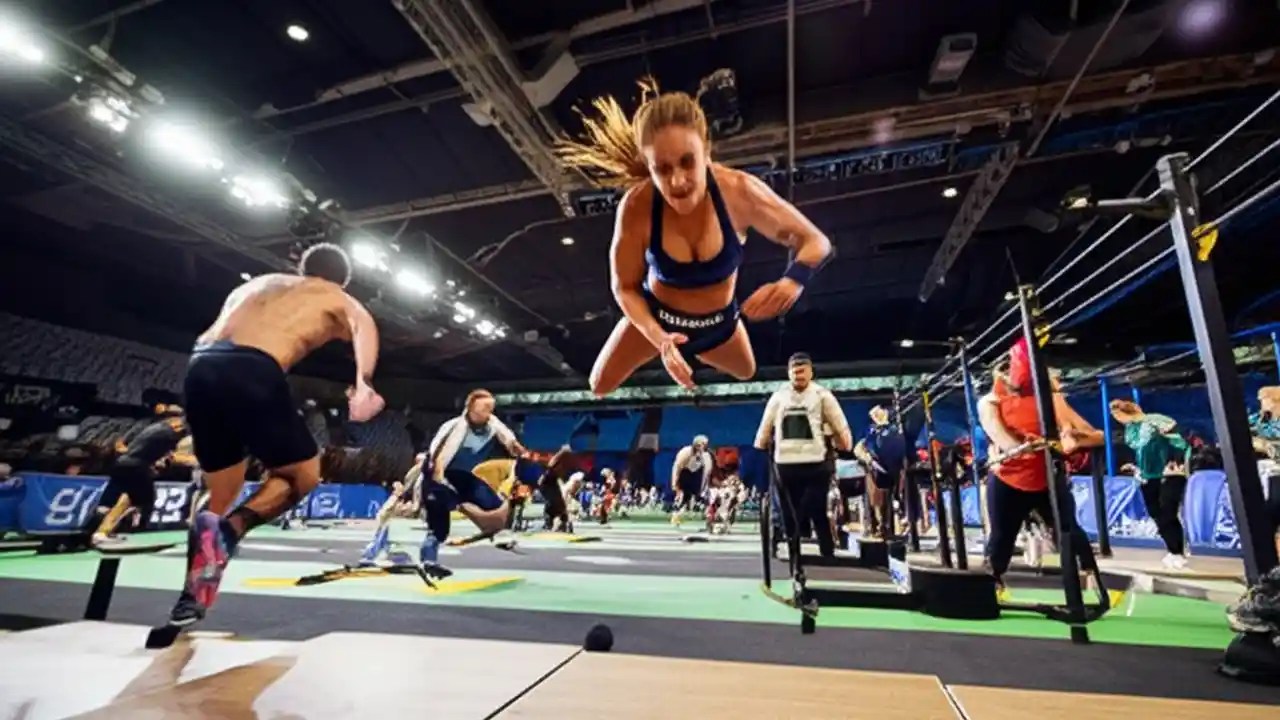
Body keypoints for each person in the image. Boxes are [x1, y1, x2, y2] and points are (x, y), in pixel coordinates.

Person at [556, 79, 833, 395]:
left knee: (746, 371)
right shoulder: (637, 206)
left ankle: (702, 348)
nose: (677, 180)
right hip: (658, 319)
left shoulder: (740, 193)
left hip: (718, 324)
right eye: (662, 168)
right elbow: (624, 287)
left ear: (707, 151)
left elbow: (816, 242)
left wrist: (792, 281)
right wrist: (659, 339)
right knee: (599, 385)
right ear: (649, 167)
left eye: (688, 162)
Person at [165, 243, 385, 628]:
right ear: (344, 279)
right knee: (302, 475)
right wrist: (363, 383)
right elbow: (362, 329)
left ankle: (190, 597)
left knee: (217, 497)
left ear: (301, 268)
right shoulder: (339, 297)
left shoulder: (260, 284)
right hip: (252, 370)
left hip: (200, 367)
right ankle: (230, 533)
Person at [977, 339, 1103, 594]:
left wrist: (1070, 436)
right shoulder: (991, 402)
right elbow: (1004, 439)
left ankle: (1091, 576)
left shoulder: (1050, 396)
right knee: (1002, 536)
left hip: (1046, 477)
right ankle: (991, 583)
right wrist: (1021, 447)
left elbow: (1087, 434)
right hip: (1009, 479)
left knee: (1068, 529)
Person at [418, 389, 529, 578]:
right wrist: (442, 487)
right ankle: (428, 561)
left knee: (492, 501)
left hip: (462, 476)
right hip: (437, 478)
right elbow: (434, 458)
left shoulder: (492, 423)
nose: (488, 413)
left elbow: (509, 439)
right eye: (484, 409)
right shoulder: (453, 427)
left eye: (490, 409)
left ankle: (498, 533)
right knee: (439, 528)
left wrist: (521, 453)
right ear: (470, 409)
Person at [754, 353, 852, 559]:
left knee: (816, 508)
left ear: (811, 372)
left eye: (802, 371)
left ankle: (827, 551)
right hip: (786, 464)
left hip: (815, 462)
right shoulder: (778, 397)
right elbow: (764, 427)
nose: (798, 375)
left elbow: (839, 423)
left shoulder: (822, 395)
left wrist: (844, 443)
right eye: (795, 371)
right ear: (788, 373)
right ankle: (794, 552)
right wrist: (761, 443)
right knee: (790, 513)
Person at [91, 406, 193, 545]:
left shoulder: (156, 429)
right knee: (141, 501)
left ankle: (106, 528)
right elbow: (173, 455)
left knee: (131, 498)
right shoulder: (170, 431)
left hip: (126, 464)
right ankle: (104, 529)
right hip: (134, 467)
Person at [1109, 400, 1192, 568]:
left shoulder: (1156, 420)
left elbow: (1180, 440)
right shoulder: (1130, 429)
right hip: (1147, 475)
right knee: (1156, 513)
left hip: (1170, 471)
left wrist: (1177, 460)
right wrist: (1135, 467)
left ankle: (1178, 551)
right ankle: (1172, 549)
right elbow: (1138, 448)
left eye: (1117, 416)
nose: (1117, 420)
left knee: (1168, 511)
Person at [855, 406, 906, 539]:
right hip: (876, 470)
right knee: (877, 501)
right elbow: (860, 449)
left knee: (886, 500)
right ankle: (879, 527)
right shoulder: (872, 431)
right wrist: (868, 459)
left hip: (887, 470)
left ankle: (885, 527)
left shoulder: (891, 431)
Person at [670, 434, 713, 526]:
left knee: (696, 497)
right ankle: (675, 515)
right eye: (702, 445)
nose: (704, 447)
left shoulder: (706, 455)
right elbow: (677, 468)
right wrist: (675, 483)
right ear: (696, 444)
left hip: (696, 473)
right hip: (684, 472)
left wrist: (704, 486)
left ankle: (708, 518)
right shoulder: (685, 452)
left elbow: (707, 471)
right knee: (682, 496)